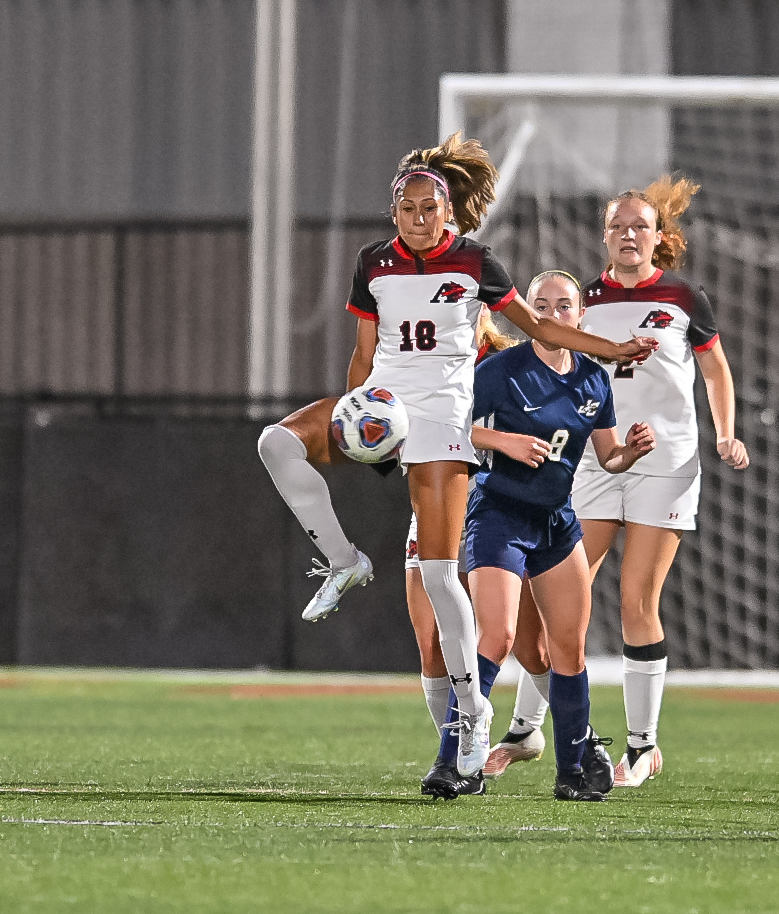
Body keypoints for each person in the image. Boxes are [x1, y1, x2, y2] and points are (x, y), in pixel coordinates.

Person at [255, 135, 657, 777]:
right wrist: (359, 406)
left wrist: (608, 351)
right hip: (387, 407)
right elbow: (364, 350)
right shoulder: (373, 263)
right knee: (275, 442)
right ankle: (342, 561)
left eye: (429, 208)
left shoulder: (477, 271)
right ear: (394, 213)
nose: (418, 218)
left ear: (448, 214)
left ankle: (476, 727)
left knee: (452, 591)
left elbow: (541, 330)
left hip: (444, 426)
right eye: (407, 208)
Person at [490, 176, 749, 788]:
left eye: (640, 226)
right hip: (595, 460)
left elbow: (715, 369)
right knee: (557, 603)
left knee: (637, 602)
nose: (628, 235)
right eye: (617, 226)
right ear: (603, 237)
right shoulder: (584, 300)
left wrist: (724, 433)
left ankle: (642, 747)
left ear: (658, 237)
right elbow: (554, 353)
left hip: (667, 460)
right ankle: (526, 731)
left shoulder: (684, 297)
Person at [420, 271, 655, 800]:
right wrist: (504, 441)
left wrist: (630, 453)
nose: (552, 314)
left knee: (568, 652)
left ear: (580, 317)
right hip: (499, 513)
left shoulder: (594, 380)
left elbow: (608, 457)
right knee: (497, 638)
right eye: (540, 304)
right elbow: (448, 425)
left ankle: (573, 768)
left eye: (564, 305)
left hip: (555, 521)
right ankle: (455, 761)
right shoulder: (501, 369)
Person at [404, 311, 517, 736]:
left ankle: (528, 726)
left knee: (523, 641)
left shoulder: (510, 361)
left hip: (501, 505)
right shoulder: (424, 362)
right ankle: (453, 751)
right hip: (437, 501)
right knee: (431, 642)